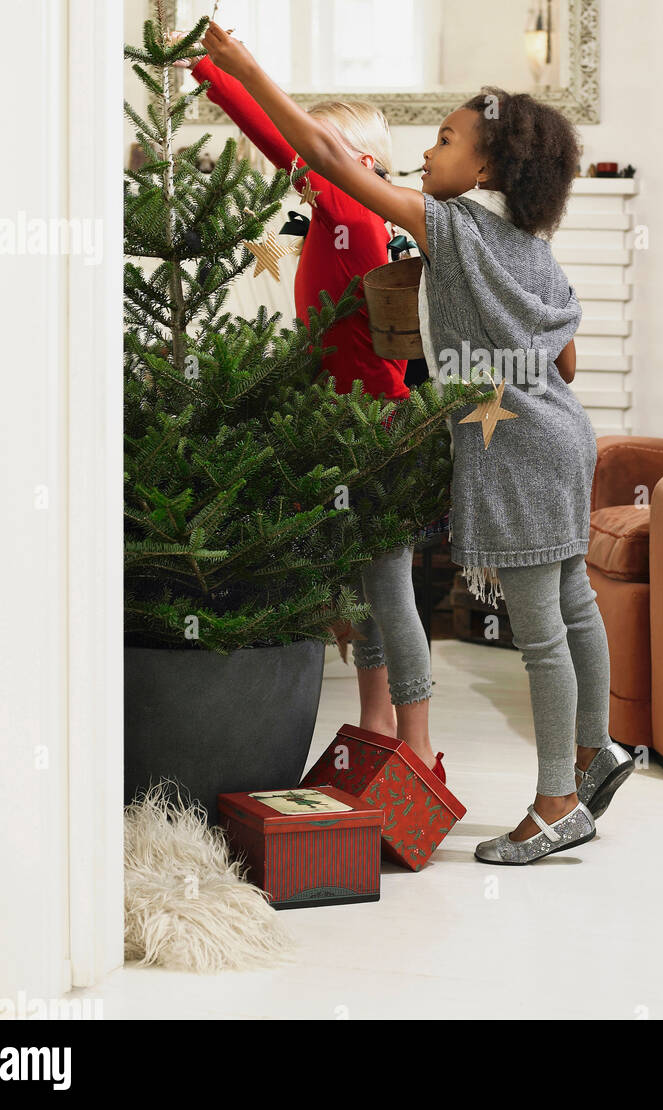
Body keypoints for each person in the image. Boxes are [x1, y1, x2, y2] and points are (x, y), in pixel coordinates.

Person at [199, 20, 634, 864]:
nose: (426, 154)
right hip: (566, 438)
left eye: (443, 140)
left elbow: (325, 158)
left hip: (521, 453)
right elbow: (567, 360)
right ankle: (595, 750)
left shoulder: (452, 228)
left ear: (487, 170)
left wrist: (244, 65)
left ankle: (554, 805)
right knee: (574, 603)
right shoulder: (533, 250)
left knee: (539, 630)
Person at [187, 50, 445, 781]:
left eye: (319, 154)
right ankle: (376, 721)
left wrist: (219, 70)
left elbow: (280, 137)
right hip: (349, 429)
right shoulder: (355, 216)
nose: (302, 167)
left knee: (390, 589)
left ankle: (418, 743)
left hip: (373, 435)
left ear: (357, 159)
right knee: (364, 585)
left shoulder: (353, 210)